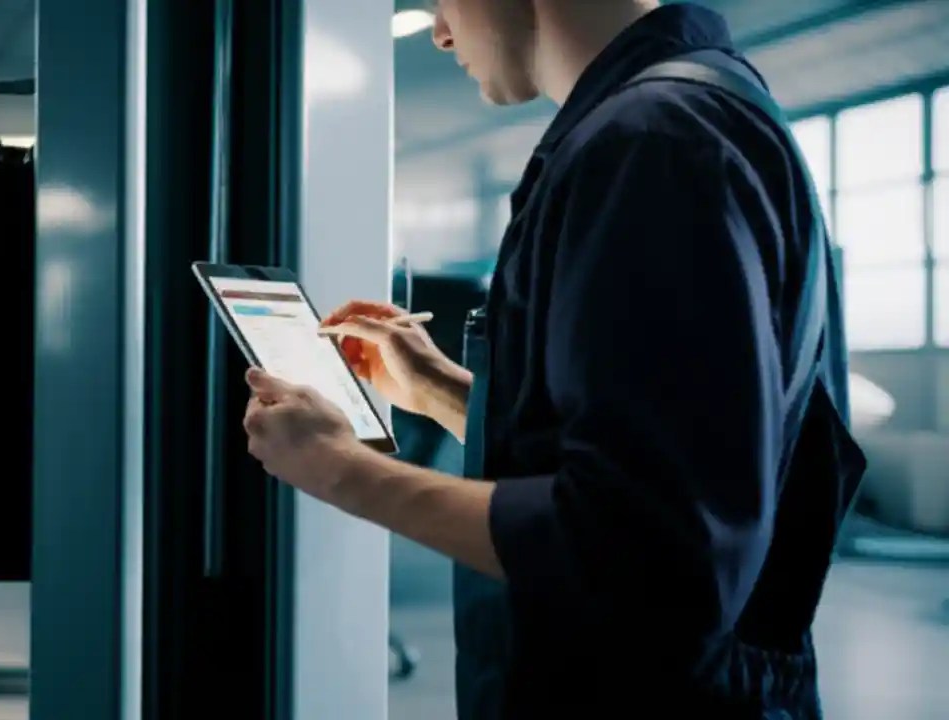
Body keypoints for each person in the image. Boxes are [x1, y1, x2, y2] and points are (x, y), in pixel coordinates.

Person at [240, 1, 867, 717]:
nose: (441, 31)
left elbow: (647, 547)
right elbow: (651, 449)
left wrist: (337, 468)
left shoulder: (651, 140)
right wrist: (444, 390)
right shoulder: (693, 111)